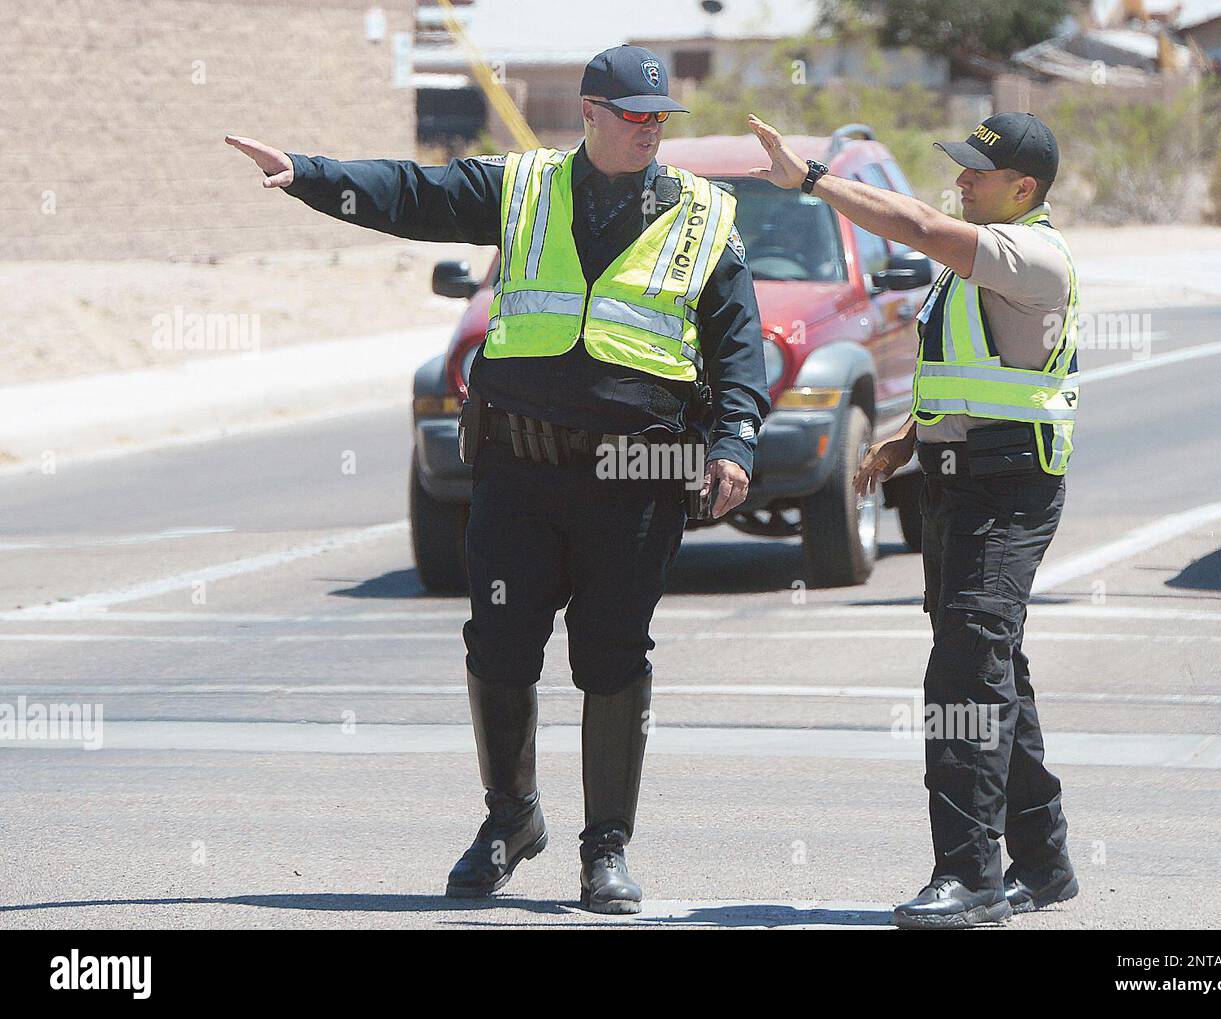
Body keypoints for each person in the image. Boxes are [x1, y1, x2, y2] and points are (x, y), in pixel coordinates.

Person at [227, 45, 769, 914]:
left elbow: (740, 345)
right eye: (633, 116)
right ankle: (511, 819)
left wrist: (735, 441)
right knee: (502, 648)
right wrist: (309, 175)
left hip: (635, 480)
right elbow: (413, 193)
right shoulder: (522, 189)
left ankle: (607, 850)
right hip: (519, 471)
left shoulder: (704, 216)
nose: (648, 132)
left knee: (612, 658)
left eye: (659, 120)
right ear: (588, 113)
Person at [748, 111, 1079, 928]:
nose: (961, 180)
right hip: (960, 485)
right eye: (962, 166)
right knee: (992, 667)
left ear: (1024, 189)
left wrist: (816, 181)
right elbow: (969, 379)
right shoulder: (975, 259)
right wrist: (904, 441)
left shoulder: (1027, 255)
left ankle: (969, 874)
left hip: (1010, 490)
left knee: (963, 679)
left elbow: (920, 225)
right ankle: (1043, 860)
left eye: (978, 171)